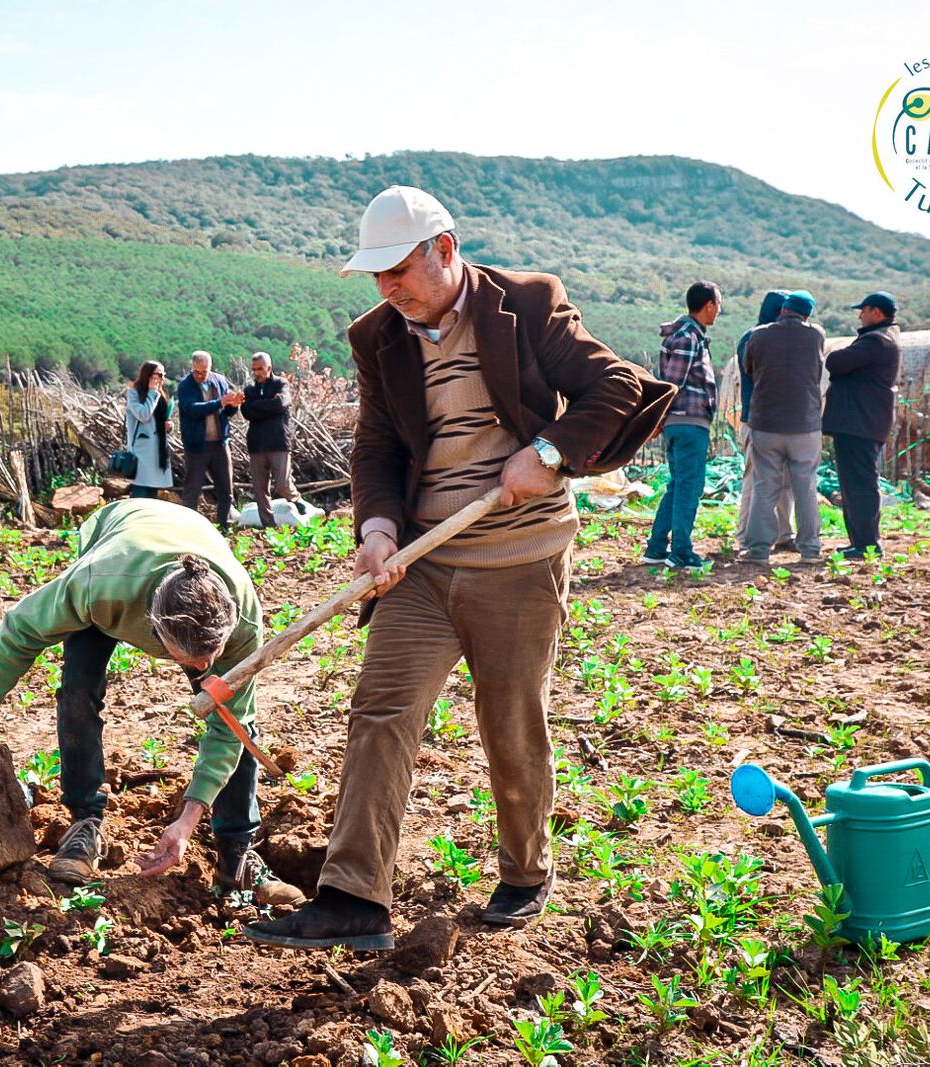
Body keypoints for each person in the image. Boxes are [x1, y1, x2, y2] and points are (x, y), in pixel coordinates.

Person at [246, 185, 655, 951]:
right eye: (376, 275)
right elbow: (378, 446)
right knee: (382, 708)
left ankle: (525, 873)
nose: (387, 288)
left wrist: (550, 453)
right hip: (423, 559)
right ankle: (353, 897)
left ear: (444, 249)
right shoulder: (381, 336)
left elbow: (617, 386)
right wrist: (375, 527)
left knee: (509, 715)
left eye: (398, 269)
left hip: (520, 554)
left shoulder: (527, 304)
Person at [0, 499, 303, 907]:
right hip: (118, 538)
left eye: (210, 657)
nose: (203, 668)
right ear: (152, 630)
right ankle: (84, 822)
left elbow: (230, 729)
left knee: (234, 722)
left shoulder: (242, 621)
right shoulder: (98, 587)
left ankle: (237, 855)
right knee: (78, 688)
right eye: (190, 662)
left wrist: (187, 822)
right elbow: (18, 630)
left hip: (189, 533)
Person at [740, 290, 825, 563]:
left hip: (766, 424)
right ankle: (810, 549)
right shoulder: (816, 335)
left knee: (765, 487)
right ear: (807, 314)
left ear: (783, 310)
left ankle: (759, 551)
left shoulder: (759, 334)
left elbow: (749, 367)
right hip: (805, 426)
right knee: (805, 487)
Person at [641, 281, 721, 569]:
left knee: (677, 485)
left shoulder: (687, 335)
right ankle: (681, 552)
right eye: (717, 305)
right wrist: (660, 418)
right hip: (688, 422)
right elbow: (673, 384)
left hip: (681, 423)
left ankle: (657, 548)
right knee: (690, 486)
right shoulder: (688, 337)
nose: (718, 312)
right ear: (709, 305)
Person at [824, 292, 901, 558]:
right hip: (862, 420)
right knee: (854, 483)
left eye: (864, 310)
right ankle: (859, 542)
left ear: (877, 312)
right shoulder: (882, 339)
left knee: (860, 484)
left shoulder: (876, 341)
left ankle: (867, 544)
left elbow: (835, 362)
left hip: (859, 421)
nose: (860, 315)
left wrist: (839, 360)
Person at [734, 291, 795, 552]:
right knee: (756, 478)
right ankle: (746, 534)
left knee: (785, 479)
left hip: (779, 420)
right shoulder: (754, 338)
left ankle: (784, 534)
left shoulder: (767, 337)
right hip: (758, 419)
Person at [177, 351, 243, 529]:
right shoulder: (185, 386)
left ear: (210, 368)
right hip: (197, 445)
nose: (200, 375)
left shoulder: (219, 381)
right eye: (197, 372)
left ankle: (225, 524)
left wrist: (233, 406)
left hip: (220, 443)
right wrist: (220, 403)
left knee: (226, 488)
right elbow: (192, 409)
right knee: (192, 488)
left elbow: (225, 412)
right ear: (192, 368)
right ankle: (188, 527)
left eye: (204, 372)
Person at [242, 351, 300, 528]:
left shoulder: (280, 384)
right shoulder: (249, 390)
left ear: (269, 368)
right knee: (260, 490)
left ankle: (297, 501)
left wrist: (257, 407)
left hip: (278, 443)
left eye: (260, 369)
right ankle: (269, 526)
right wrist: (267, 405)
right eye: (254, 369)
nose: (257, 373)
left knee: (282, 484)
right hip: (256, 445)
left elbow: (281, 403)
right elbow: (246, 412)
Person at [123, 360, 174, 499]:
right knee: (141, 491)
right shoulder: (134, 393)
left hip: (158, 449)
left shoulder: (160, 394)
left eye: (164, 374)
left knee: (152, 492)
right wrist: (152, 394)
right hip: (142, 449)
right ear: (149, 375)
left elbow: (160, 419)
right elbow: (143, 415)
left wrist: (169, 424)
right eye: (160, 374)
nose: (163, 378)